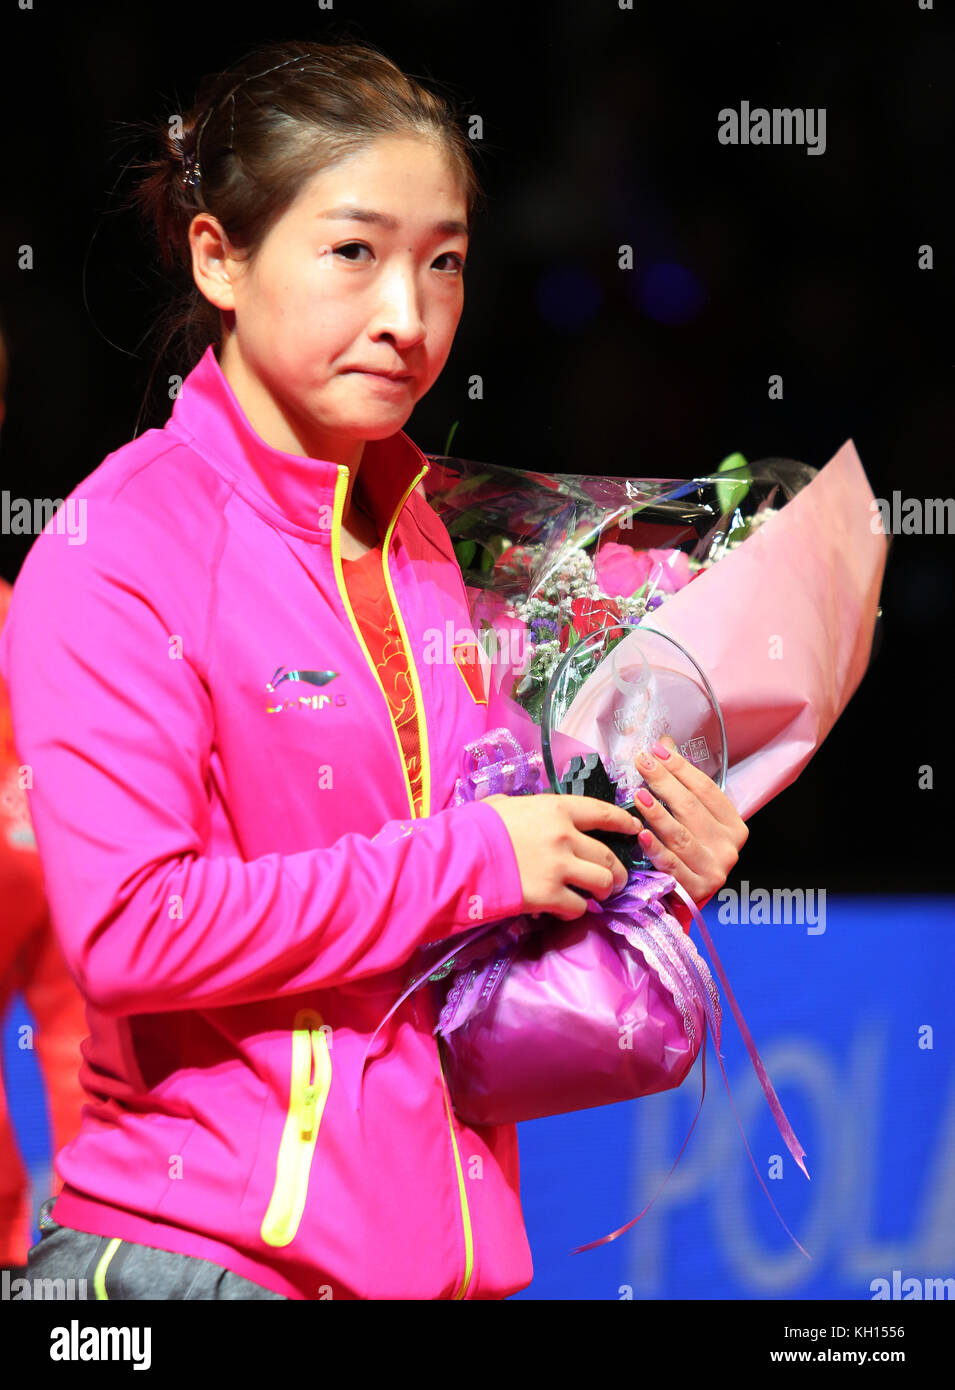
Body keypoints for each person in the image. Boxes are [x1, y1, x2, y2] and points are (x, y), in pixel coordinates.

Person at [0, 38, 746, 1300]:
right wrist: (479, 859)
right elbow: (131, 932)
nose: (408, 315)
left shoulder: (422, 551)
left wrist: (641, 881)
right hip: (191, 1267)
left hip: (427, 1269)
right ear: (217, 257)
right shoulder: (118, 545)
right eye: (354, 252)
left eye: (443, 262)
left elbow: (451, 973)